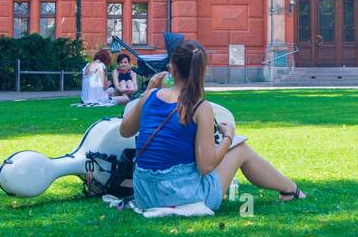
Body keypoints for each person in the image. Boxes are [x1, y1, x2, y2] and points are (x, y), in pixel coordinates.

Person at [119, 39, 303, 211]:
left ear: (171, 69)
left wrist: (149, 90)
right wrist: (229, 137)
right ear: (202, 71)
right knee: (241, 149)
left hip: (145, 194)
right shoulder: (199, 106)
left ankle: (290, 189)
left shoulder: (150, 96)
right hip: (182, 196)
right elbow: (206, 166)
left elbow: (125, 131)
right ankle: (291, 189)